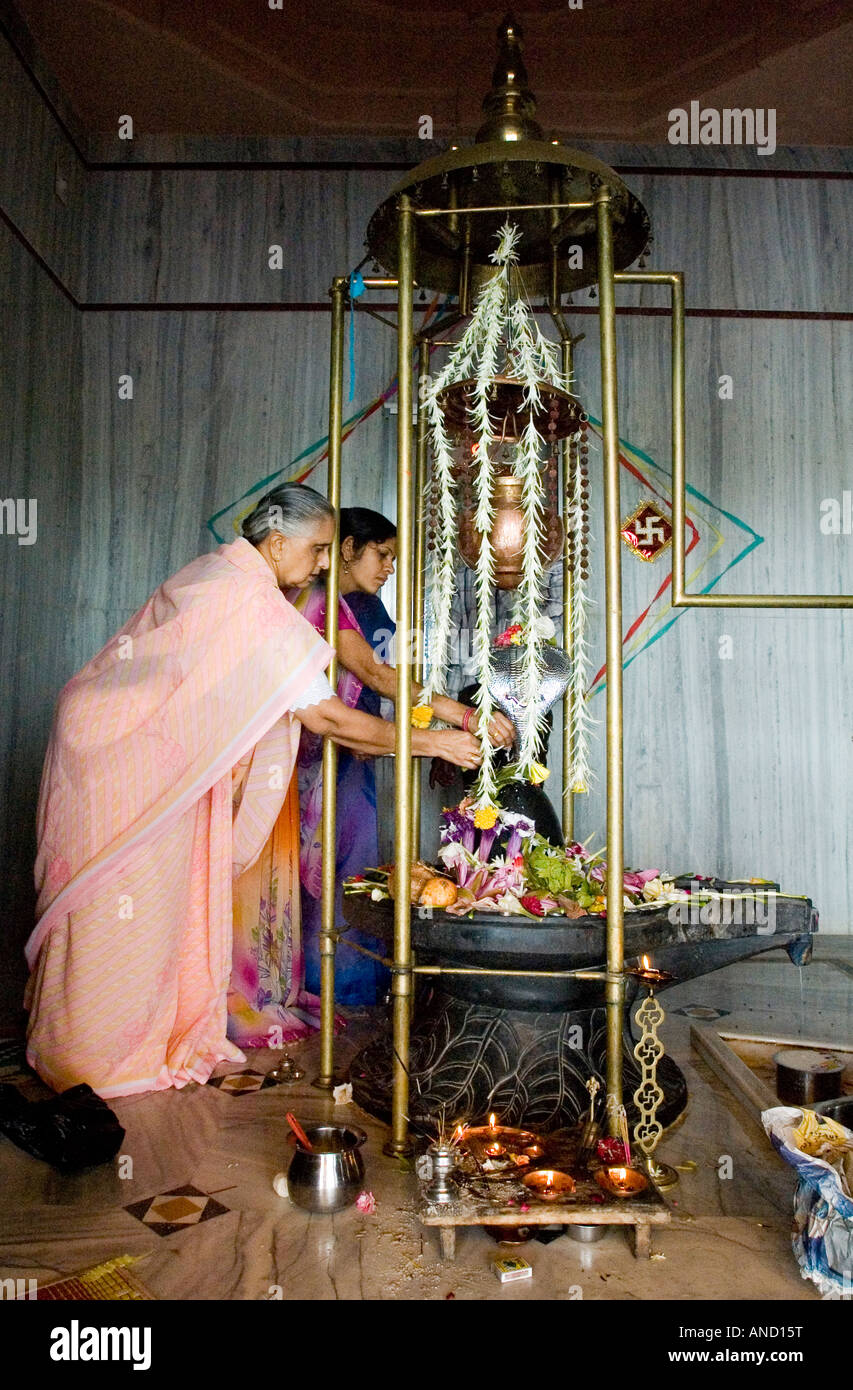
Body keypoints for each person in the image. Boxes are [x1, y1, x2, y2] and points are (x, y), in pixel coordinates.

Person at [23, 485, 482, 1098]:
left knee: (122, 906)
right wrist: (438, 743)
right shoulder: (251, 602)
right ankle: (102, 1059)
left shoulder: (216, 575)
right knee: (129, 907)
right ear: (277, 540)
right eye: (318, 549)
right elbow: (329, 718)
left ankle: (81, 1045)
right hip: (132, 766)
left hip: (108, 746)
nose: (323, 564)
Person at [297, 508, 515, 1004]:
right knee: (335, 875)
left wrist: (450, 721)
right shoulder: (329, 601)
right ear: (348, 550)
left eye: (395, 557)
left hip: (354, 749)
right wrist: (460, 719)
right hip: (322, 752)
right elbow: (378, 677)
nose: (390, 567)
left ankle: (340, 987)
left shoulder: (356, 607)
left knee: (342, 872)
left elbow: (388, 680)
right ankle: (337, 990)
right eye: (383, 554)